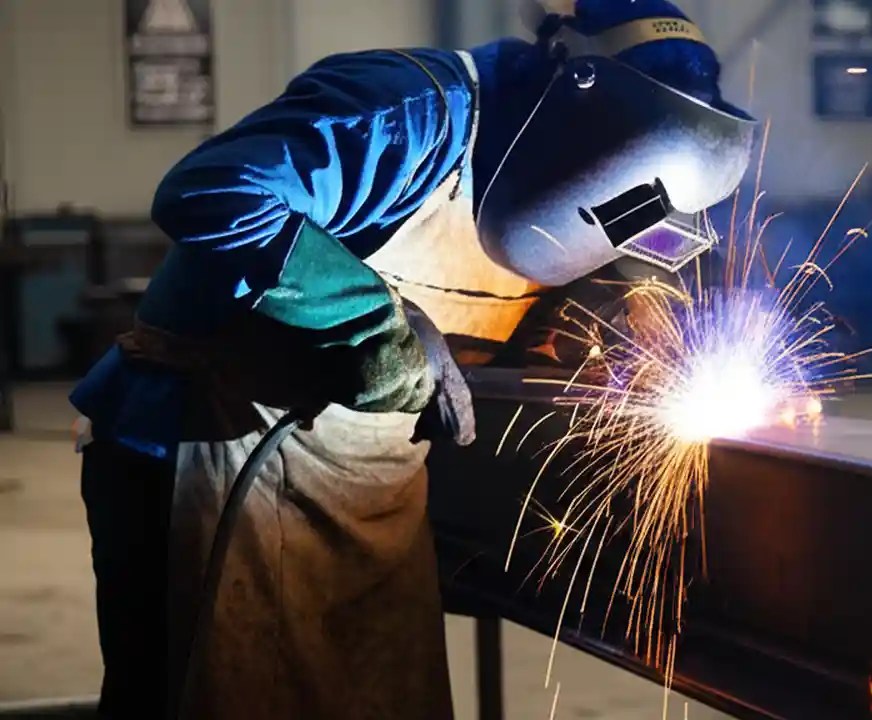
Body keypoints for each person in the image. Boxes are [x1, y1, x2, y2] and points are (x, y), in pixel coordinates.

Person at [68, 1, 756, 718]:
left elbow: (577, 279)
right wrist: (373, 318)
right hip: (207, 450)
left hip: (371, 485)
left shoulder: (602, 170)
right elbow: (212, 192)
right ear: (572, 97)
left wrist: (619, 321)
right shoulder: (406, 112)